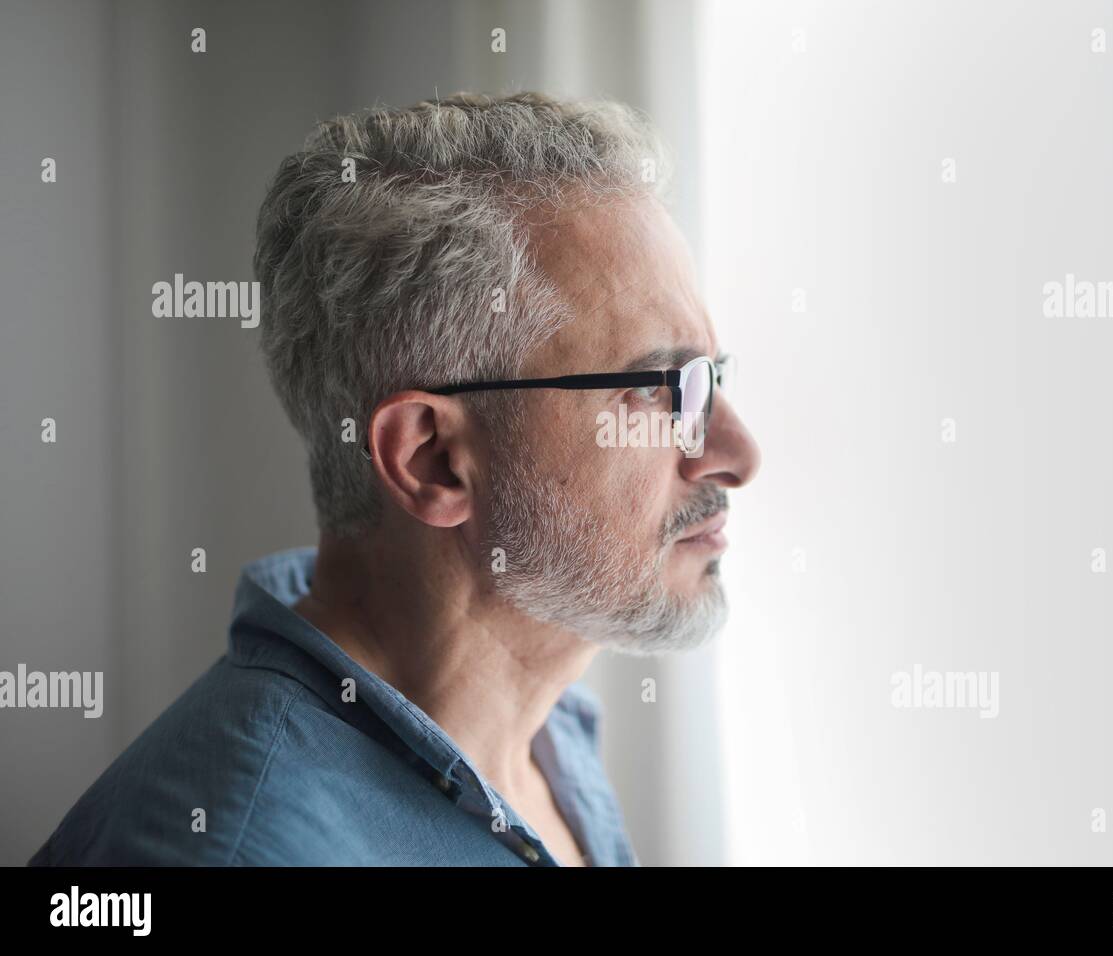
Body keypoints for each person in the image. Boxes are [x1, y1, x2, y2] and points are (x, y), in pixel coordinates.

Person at [29, 91, 760, 866]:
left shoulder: (543, 743)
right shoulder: (233, 847)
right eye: (656, 387)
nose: (738, 452)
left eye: (710, 377)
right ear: (432, 461)